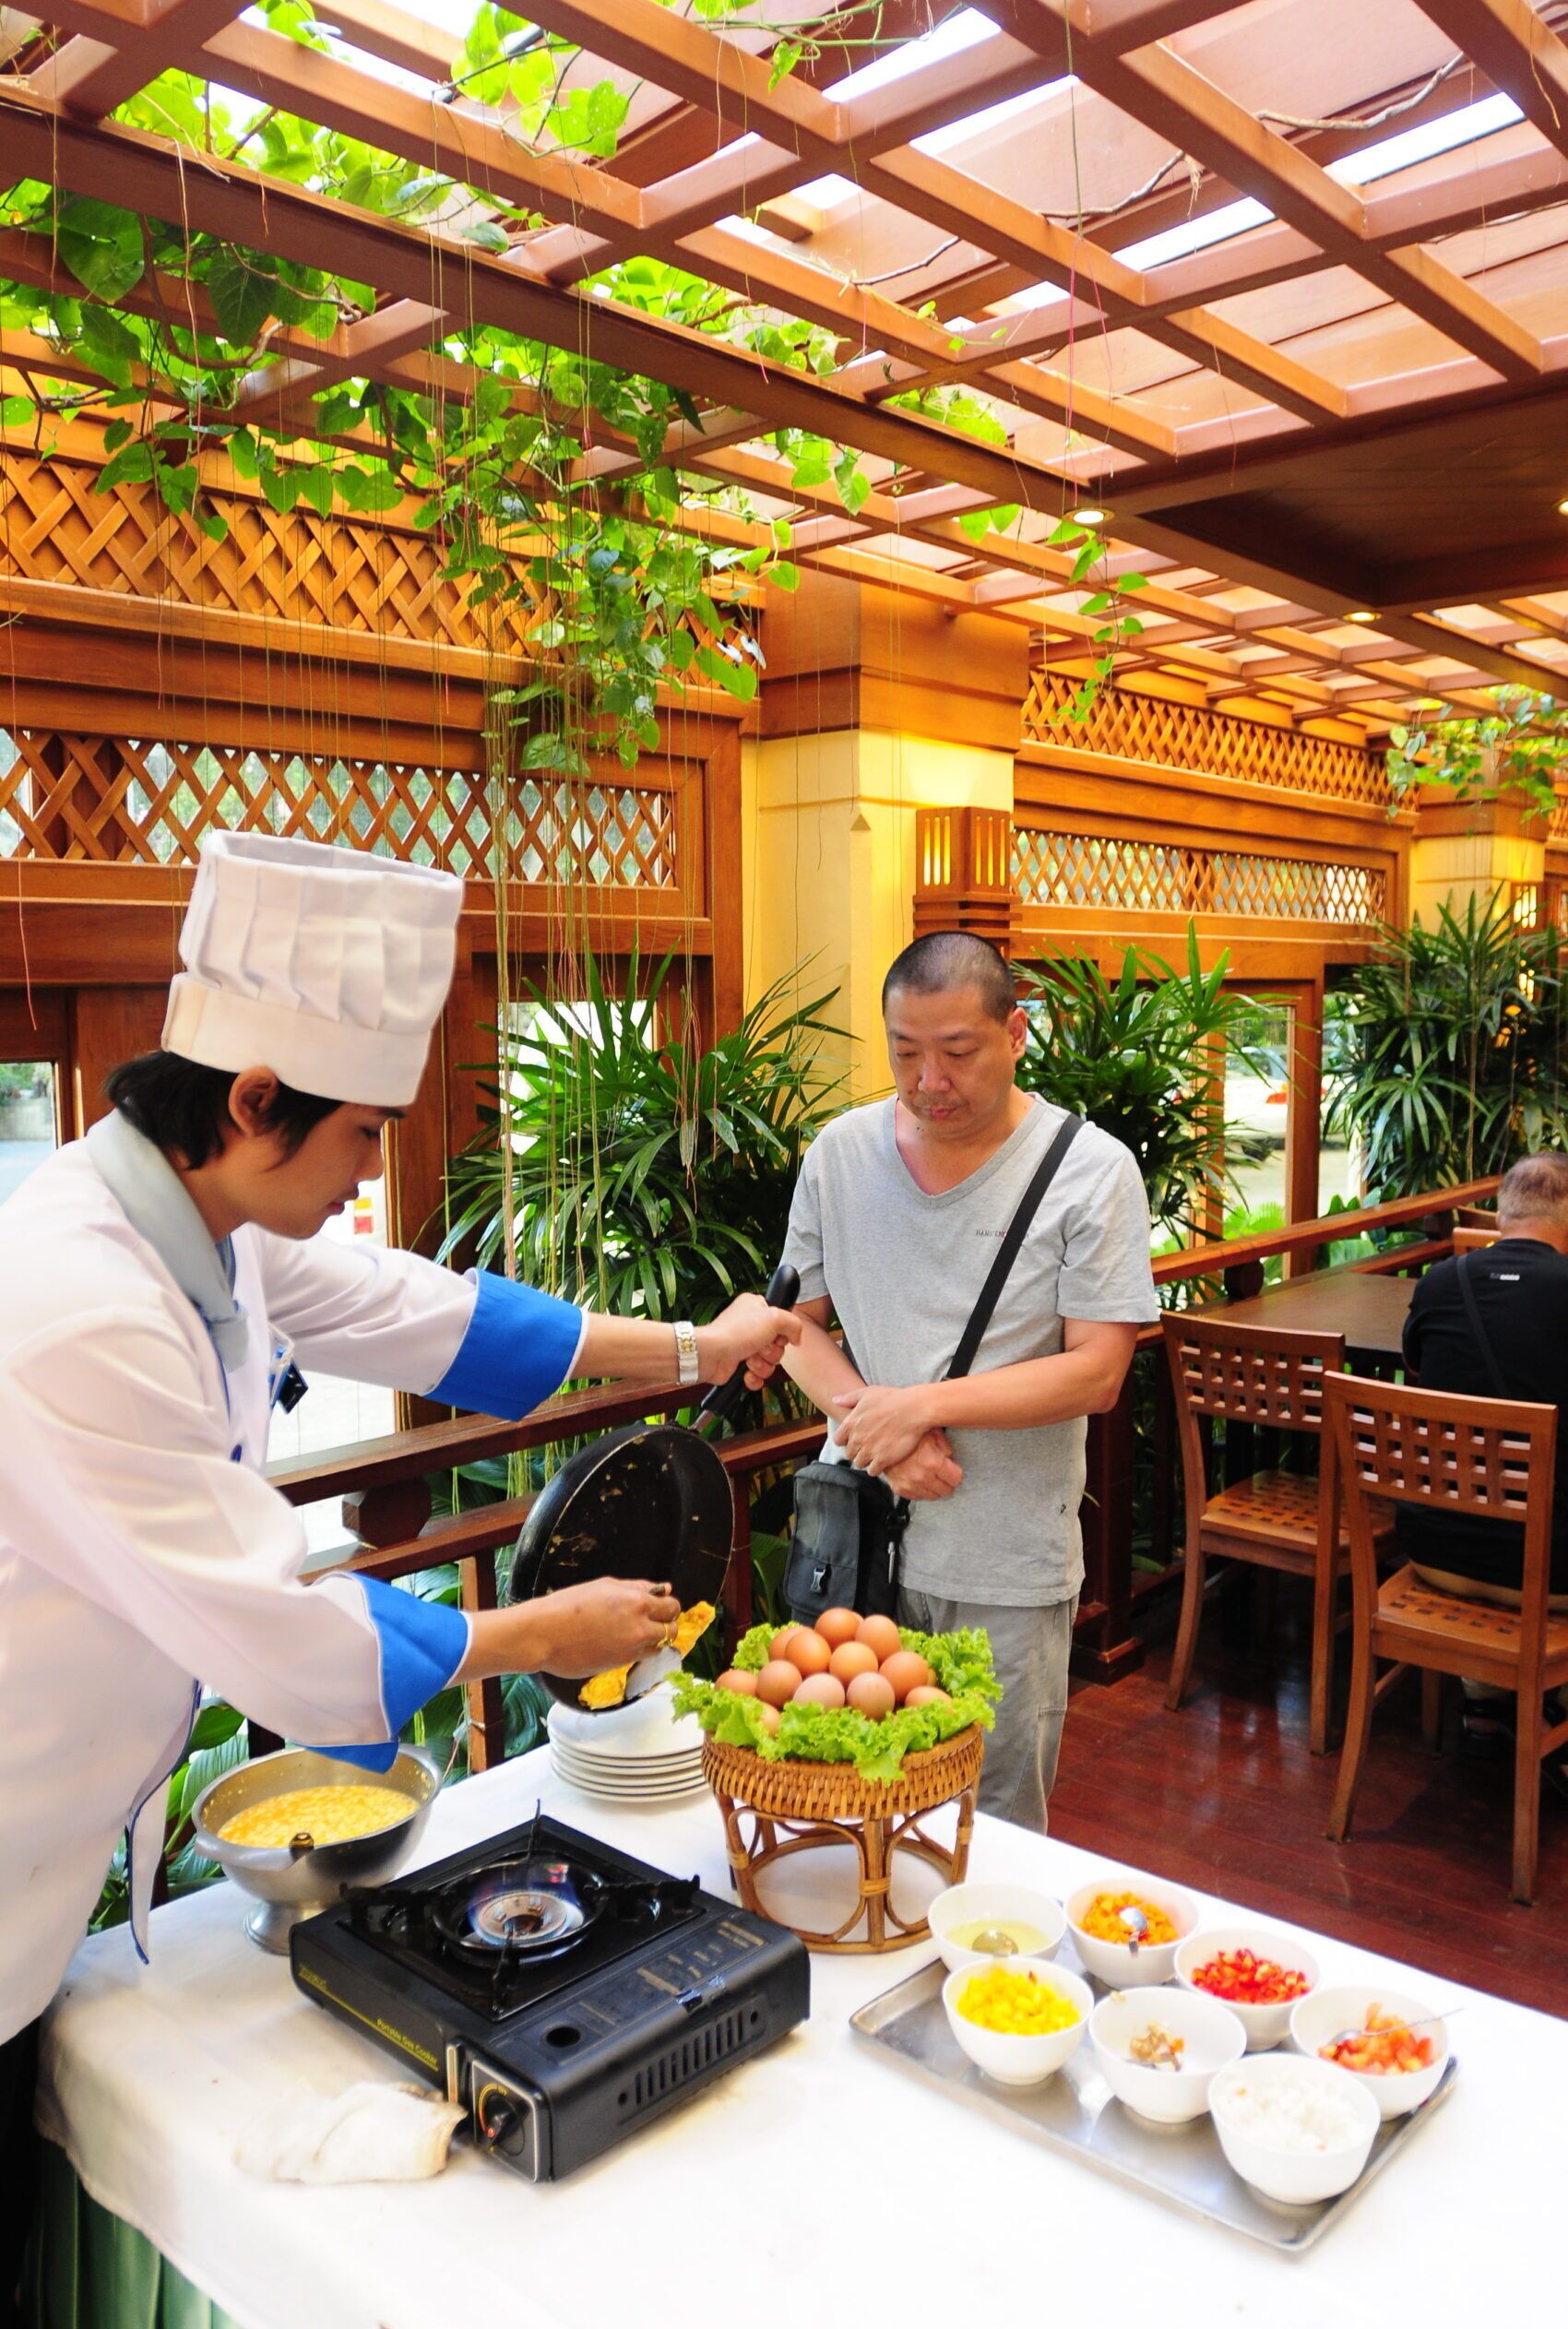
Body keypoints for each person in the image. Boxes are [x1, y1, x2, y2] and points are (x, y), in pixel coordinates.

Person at [0, 832, 800, 2326]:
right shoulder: (75, 1304)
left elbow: (427, 1315)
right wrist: (535, 1631)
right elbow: (279, 1637)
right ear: (251, 1104)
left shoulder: (201, 1220)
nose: (375, 1170)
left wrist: (701, 1346)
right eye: (364, 1133)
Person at [779, 931, 1158, 1828]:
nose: (926, 1081)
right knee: (849, 1801)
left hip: (1006, 1566)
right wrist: (882, 1435)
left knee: (988, 1822)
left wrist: (920, 1407)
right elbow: (793, 1326)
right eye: (904, 1052)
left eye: (955, 1053)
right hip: (858, 1539)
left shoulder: (1090, 1171)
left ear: (1015, 1032)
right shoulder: (837, 1154)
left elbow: (1098, 1370)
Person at [1399, 1150, 1568, 1778]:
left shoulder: (1443, 1283)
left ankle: (1482, 1708)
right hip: (1551, 1576)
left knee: (1491, 1509)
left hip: (1432, 1553)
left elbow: (1416, 1365)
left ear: (1503, 1215)